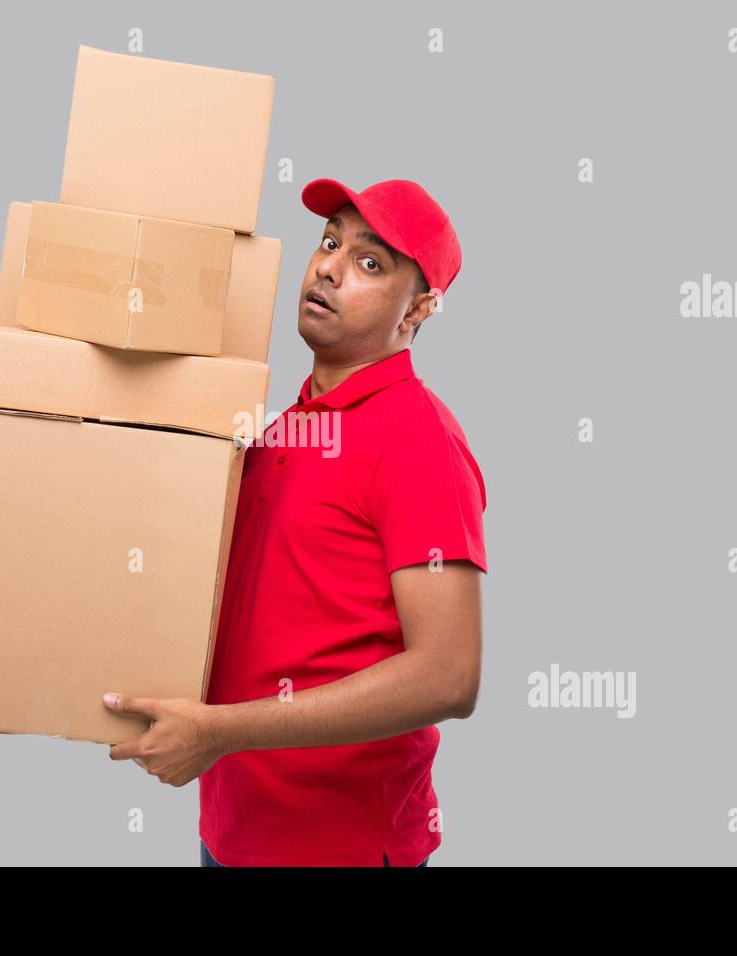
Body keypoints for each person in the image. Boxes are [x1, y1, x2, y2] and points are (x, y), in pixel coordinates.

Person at [102, 178, 487, 867]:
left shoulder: (417, 440)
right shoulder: (285, 428)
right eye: (330, 242)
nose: (331, 268)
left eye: (371, 264)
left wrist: (221, 731)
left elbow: (448, 675)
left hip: (335, 848)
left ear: (418, 310)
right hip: (233, 831)